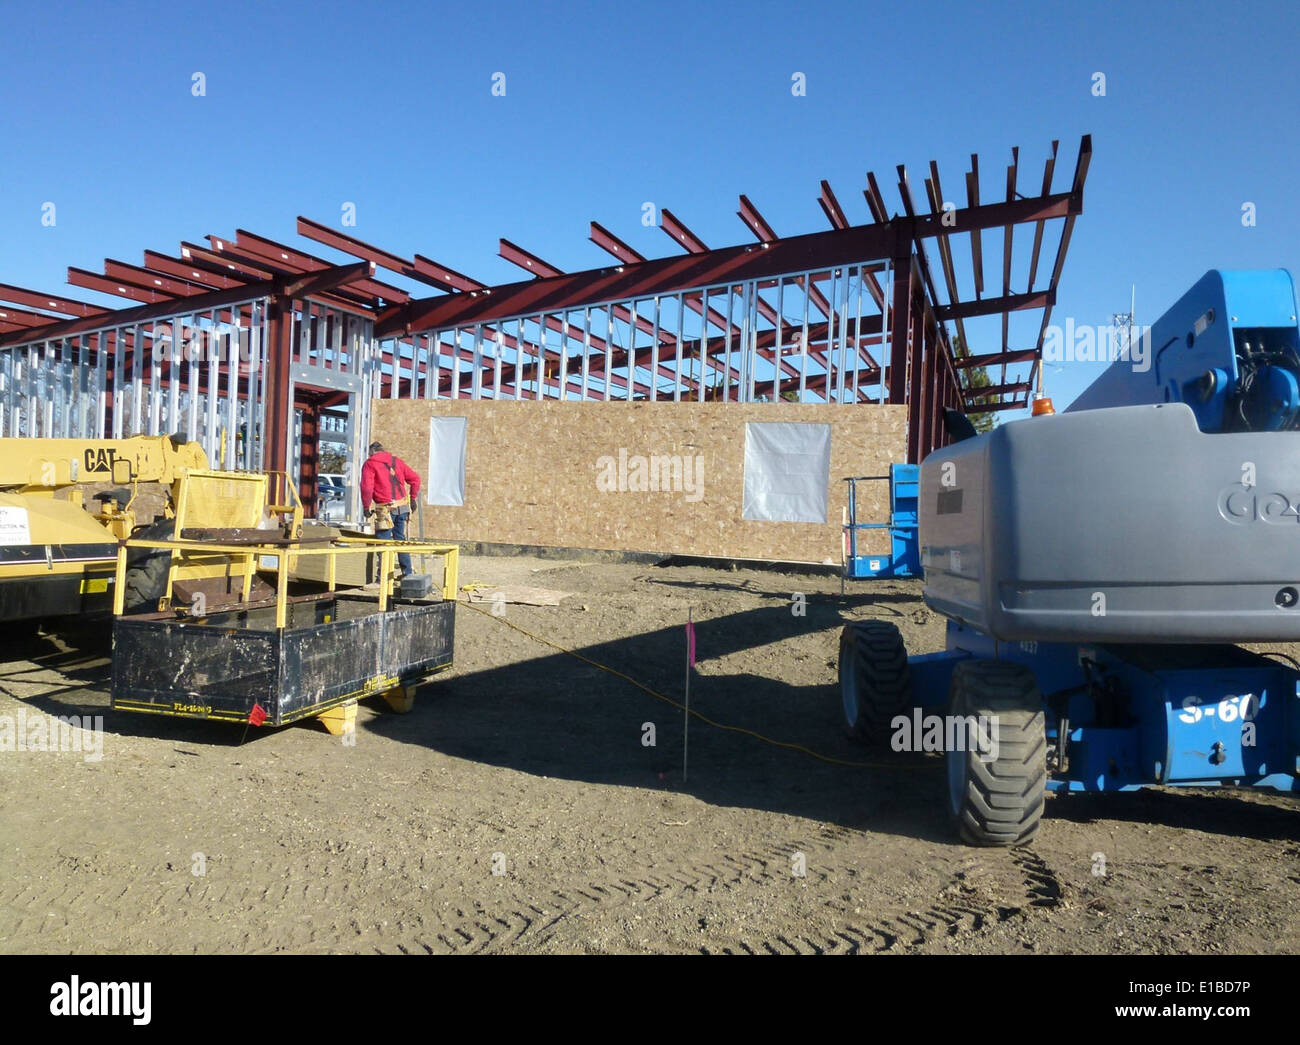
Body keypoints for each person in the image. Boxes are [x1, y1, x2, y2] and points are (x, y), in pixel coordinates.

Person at [360, 441, 422, 576]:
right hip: (403, 507)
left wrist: (366, 506)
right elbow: (415, 479)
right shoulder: (396, 461)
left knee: (384, 543)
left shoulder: (370, 464)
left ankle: (382, 579)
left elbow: (366, 487)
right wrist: (412, 498)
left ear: (371, 452)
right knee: (401, 541)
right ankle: (408, 574)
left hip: (385, 510)